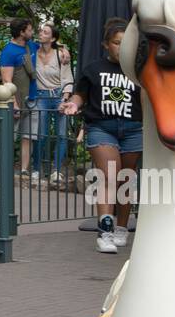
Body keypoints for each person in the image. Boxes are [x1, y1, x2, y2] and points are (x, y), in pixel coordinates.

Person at [61, 18, 142, 254]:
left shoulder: (138, 70)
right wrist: (72, 105)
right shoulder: (93, 69)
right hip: (102, 127)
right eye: (117, 43)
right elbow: (79, 96)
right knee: (109, 177)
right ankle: (104, 232)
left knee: (126, 179)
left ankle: (122, 228)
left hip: (133, 129)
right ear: (106, 44)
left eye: (126, 43)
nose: (122, 47)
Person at [31, 23, 74, 185]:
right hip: (41, 96)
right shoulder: (33, 51)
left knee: (61, 134)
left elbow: (68, 78)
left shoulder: (61, 54)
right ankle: (36, 169)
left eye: (45, 32)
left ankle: (56, 170)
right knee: (40, 135)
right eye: (40, 30)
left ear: (53, 38)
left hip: (59, 95)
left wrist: (65, 98)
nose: (41, 33)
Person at [0, 17, 37, 181]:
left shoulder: (31, 46)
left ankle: (23, 170)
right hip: (16, 101)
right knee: (9, 136)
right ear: (22, 32)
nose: (32, 32)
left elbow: (50, 48)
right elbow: (7, 80)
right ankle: (3, 170)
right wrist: (13, 103)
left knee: (28, 136)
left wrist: (62, 50)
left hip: (32, 99)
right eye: (29, 30)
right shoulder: (9, 51)